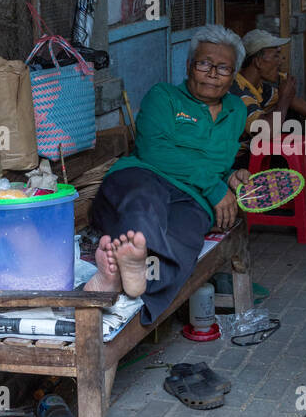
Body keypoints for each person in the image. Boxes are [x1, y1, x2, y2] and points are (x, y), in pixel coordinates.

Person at [86, 25, 249, 323]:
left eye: (223, 67)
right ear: (189, 67)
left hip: (194, 199)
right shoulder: (164, 96)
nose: (213, 73)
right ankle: (133, 265)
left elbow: (218, 162)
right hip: (145, 175)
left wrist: (230, 177)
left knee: (183, 238)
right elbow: (154, 151)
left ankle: (131, 278)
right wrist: (214, 187)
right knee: (144, 204)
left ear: (233, 74)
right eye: (204, 63)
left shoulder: (237, 110)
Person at [229, 28, 306, 163]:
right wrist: (284, 98)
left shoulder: (260, 87)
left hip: (253, 148)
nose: (281, 61)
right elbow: (266, 132)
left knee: (290, 113)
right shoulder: (238, 91)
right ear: (258, 62)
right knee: (283, 121)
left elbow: (292, 100)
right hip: (236, 159)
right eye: (276, 55)